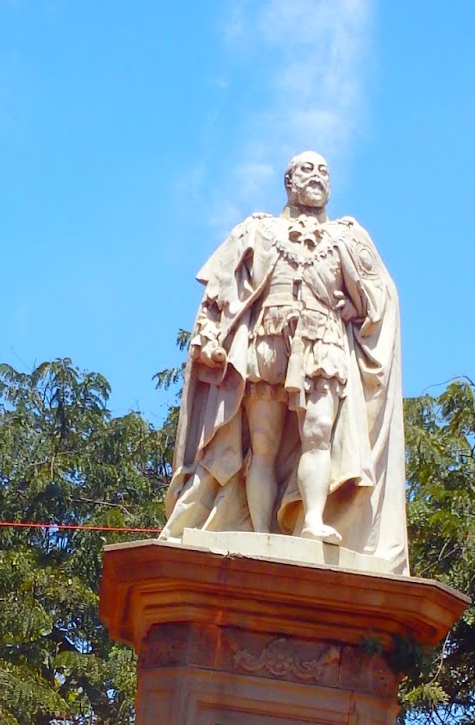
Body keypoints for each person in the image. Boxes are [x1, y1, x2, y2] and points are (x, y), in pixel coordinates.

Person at [161, 151, 408, 569]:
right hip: (268, 342)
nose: (317, 178)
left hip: (322, 342)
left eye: (324, 172)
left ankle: (312, 520)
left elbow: (378, 298)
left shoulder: (348, 237)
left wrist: (356, 310)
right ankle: (260, 534)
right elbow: (218, 292)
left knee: (318, 433)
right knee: (264, 446)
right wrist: (208, 337)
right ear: (288, 181)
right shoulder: (258, 230)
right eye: (306, 170)